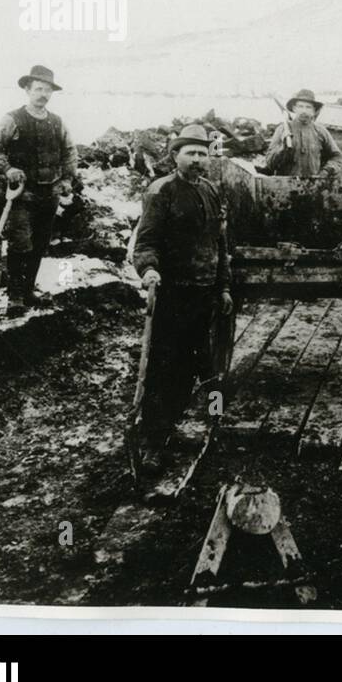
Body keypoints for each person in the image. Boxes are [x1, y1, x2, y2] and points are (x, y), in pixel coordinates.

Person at [131, 124, 233, 452]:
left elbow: (219, 244)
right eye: (191, 153)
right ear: (176, 156)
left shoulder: (211, 190)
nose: (198, 159)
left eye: (203, 154)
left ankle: (211, 423)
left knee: (203, 364)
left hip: (205, 293)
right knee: (164, 367)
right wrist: (148, 270)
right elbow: (146, 240)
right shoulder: (161, 191)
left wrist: (224, 287)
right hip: (173, 293)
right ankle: (152, 441)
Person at [0, 64, 78, 316]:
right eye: (38, 89)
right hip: (21, 195)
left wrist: (66, 179)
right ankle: (15, 297)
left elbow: (70, 152)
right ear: (27, 90)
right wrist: (8, 168)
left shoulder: (57, 122)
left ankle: (28, 291)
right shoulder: (12, 119)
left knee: (40, 243)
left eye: (48, 90)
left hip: (50, 194)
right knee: (21, 244)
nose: (43, 94)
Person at [263, 89, 341, 177]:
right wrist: (283, 149)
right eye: (300, 106)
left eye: (308, 107)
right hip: (285, 184)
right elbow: (270, 163)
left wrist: (326, 171)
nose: (304, 110)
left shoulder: (321, 131)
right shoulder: (283, 130)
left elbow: (336, 157)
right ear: (294, 108)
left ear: (314, 110)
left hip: (313, 185)